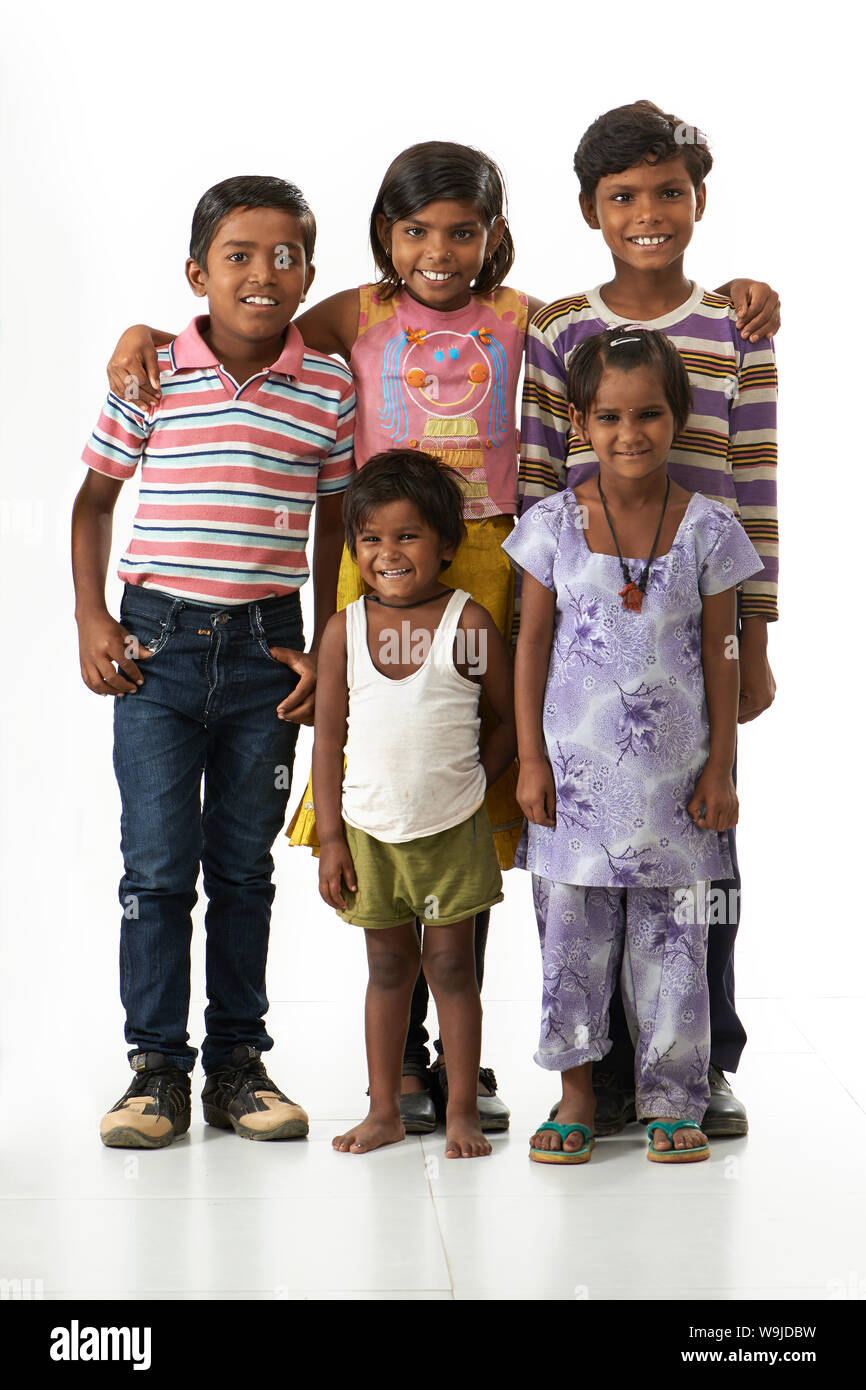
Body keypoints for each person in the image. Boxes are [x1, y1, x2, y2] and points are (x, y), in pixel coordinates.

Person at [104, 138, 776, 1137]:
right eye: (413, 228)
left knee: (477, 795)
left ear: (494, 236)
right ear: (383, 235)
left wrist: (732, 291)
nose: (438, 248)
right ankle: (407, 1060)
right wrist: (147, 332)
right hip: (377, 562)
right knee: (391, 784)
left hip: (489, 559)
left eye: (462, 230)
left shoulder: (523, 319)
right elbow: (256, 323)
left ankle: (503, 1047)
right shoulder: (358, 314)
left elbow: (615, 344)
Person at [72, 175, 355, 1148]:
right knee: (156, 869)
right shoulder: (154, 374)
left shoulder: (326, 386)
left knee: (241, 869)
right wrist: (92, 620)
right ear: (197, 273)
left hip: (266, 653)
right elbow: (92, 504)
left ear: (310, 272)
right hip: (155, 648)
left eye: (285, 257)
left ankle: (239, 1062)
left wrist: (324, 643)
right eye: (238, 255)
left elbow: (334, 527)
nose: (263, 274)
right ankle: (155, 1070)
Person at [518, 100, 779, 1139]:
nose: (646, 211)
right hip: (586, 644)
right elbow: (538, 470)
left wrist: (753, 637)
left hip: (693, 619)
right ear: (589, 209)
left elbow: (753, 478)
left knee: (695, 871)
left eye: (667, 190)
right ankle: (601, 1077)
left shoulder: (733, 326)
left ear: (698, 200)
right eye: (621, 195)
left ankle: (699, 1064)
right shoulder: (556, 328)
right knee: (582, 890)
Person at [505, 326, 763, 1163]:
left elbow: (722, 655)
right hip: (573, 787)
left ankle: (672, 1098)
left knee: (677, 942)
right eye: (609, 416)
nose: (630, 433)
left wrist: (722, 767)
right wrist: (532, 760)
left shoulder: (712, 529)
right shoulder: (550, 525)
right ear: (579, 421)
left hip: (677, 784)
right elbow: (530, 647)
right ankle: (578, 1093)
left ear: (679, 416)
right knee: (572, 940)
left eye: (648, 413)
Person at [313, 451, 516, 1158]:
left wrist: (475, 782)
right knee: (388, 969)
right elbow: (328, 739)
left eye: (407, 536)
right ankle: (384, 1110)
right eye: (371, 538)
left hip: (451, 831)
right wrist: (331, 839)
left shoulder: (469, 624)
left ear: (447, 546)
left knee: (454, 969)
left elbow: (510, 720)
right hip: (370, 833)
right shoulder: (344, 630)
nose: (388, 552)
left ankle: (461, 1108)